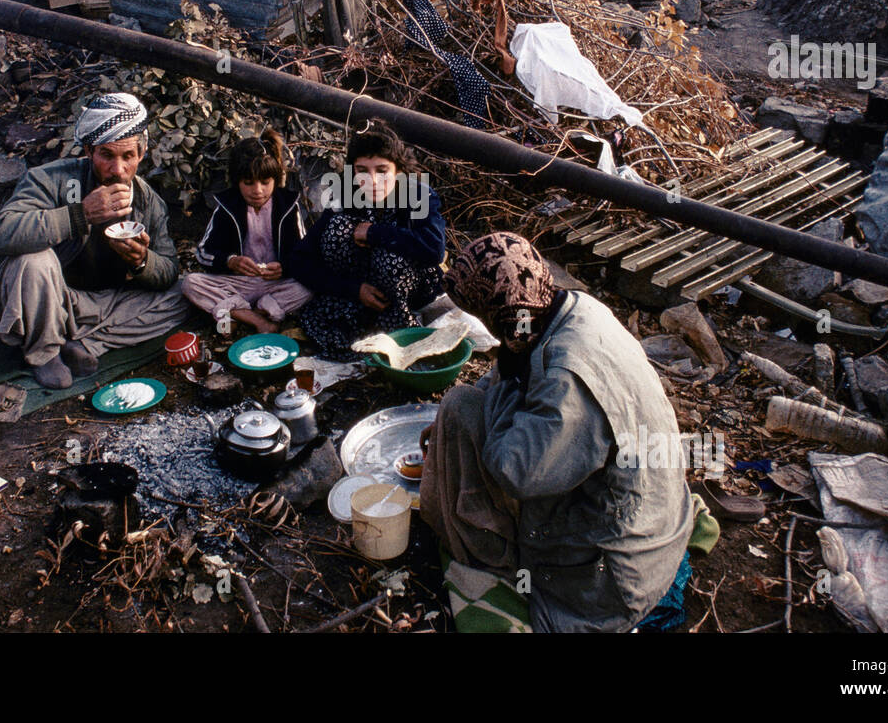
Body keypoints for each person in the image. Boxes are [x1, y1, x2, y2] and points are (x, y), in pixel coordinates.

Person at [420, 232, 693, 633]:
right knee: (464, 405)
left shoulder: (565, 377)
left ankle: (482, 552)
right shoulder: (568, 308)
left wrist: (485, 403)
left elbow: (516, 472)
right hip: (656, 513)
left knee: (460, 408)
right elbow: (510, 366)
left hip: (612, 578)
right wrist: (494, 386)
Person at [0, 92, 189, 388]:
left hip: (97, 304)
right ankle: (43, 353)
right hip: (44, 297)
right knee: (34, 259)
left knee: (184, 292)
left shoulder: (149, 201)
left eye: (127, 156)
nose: (117, 169)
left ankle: (86, 346)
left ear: (141, 154)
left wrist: (142, 261)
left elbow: (168, 270)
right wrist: (80, 215)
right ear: (89, 151)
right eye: (106, 155)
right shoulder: (51, 179)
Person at [288, 120, 445, 360]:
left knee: (389, 255)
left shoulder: (417, 194)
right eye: (363, 171)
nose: (372, 180)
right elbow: (299, 259)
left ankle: (399, 322)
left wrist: (375, 233)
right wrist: (352, 290)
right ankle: (363, 317)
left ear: (399, 171)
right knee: (338, 229)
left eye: (382, 171)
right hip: (359, 292)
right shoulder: (346, 197)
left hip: (409, 290)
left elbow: (434, 249)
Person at [181, 127, 311, 334]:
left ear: (275, 180)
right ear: (237, 182)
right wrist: (231, 261)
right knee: (190, 283)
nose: (257, 191)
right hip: (238, 283)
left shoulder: (287, 205)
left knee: (311, 283)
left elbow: (304, 255)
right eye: (248, 183)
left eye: (265, 182)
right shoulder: (227, 207)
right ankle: (257, 319)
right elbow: (203, 252)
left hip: (275, 283)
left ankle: (248, 310)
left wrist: (284, 268)